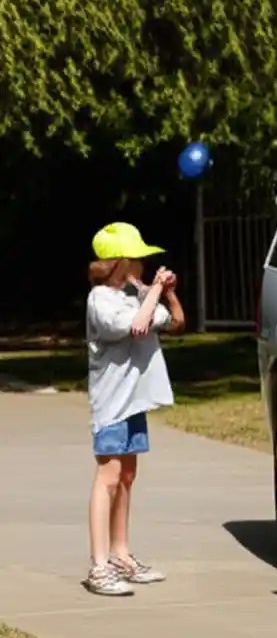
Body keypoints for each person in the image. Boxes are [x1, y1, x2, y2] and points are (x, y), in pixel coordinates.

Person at [82, 222, 186, 595]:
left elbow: (176, 323)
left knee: (126, 477)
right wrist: (154, 290)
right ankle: (99, 566)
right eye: (138, 258)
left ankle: (121, 554)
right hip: (111, 404)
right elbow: (139, 328)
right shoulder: (101, 300)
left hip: (133, 403)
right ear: (121, 262)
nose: (144, 264)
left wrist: (168, 294)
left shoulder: (134, 296)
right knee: (108, 478)